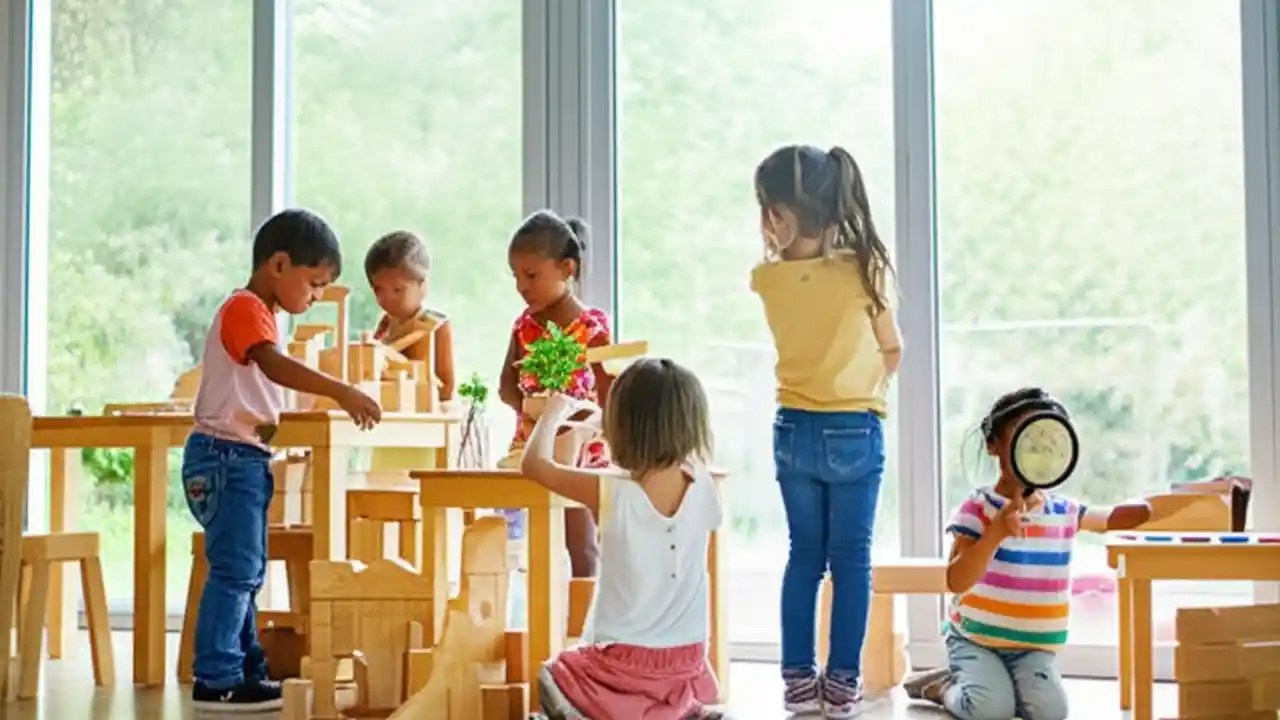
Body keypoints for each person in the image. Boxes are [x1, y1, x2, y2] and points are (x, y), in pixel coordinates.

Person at [182, 209, 382, 711]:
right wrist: (341, 390)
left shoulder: (259, 315)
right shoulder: (245, 309)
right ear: (278, 265)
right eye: (314, 284)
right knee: (236, 571)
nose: (315, 297)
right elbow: (272, 365)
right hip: (227, 457)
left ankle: (246, 669)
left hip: (239, 457)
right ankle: (217, 676)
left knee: (245, 571)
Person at [750, 144, 902, 718]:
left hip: (792, 428)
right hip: (854, 427)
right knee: (851, 561)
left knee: (804, 557)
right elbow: (893, 347)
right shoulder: (864, 270)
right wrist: (869, 379)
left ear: (776, 215)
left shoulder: (766, 279)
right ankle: (841, 683)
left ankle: (796, 681)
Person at [902, 387, 1152, 720]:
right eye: (1026, 439)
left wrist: (1152, 506)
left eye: (1049, 443)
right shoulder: (978, 508)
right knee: (989, 711)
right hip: (976, 640)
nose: (1038, 452)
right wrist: (996, 532)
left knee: (1051, 713)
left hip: (1033, 649)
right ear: (993, 445)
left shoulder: (1063, 510)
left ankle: (992, 687)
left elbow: (1112, 518)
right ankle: (945, 686)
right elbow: (956, 579)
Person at [521, 358, 724, 720]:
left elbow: (534, 465)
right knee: (648, 682)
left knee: (555, 673)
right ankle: (670, 710)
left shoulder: (610, 491)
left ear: (621, 426)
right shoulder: (705, 484)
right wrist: (599, 424)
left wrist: (553, 413)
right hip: (687, 660)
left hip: (622, 662)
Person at [498, 209, 612, 577]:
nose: (521, 286)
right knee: (524, 545)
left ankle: (584, 609)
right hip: (531, 447)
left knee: (581, 545)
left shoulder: (593, 328)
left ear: (567, 269)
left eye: (531, 275)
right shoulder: (524, 327)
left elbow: (608, 395)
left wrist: (578, 419)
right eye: (516, 276)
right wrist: (534, 410)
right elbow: (506, 387)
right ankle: (535, 609)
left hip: (582, 453)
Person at [366, 230, 456, 402]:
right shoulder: (385, 324)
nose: (387, 298)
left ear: (423, 285)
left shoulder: (435, 325)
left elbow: (447, 386)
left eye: (397, 290)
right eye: (378, 290)